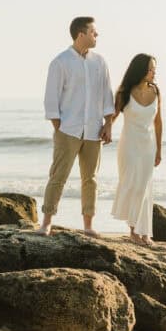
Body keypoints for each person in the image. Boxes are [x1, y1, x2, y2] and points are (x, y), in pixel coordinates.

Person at [39, 16, 115, 235]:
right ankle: (46, 222)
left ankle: (88, 226)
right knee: (58, 176)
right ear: (81, 34)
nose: (96, 35)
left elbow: (107, 95)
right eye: (93, 32)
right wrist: (59, 127)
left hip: (94, 130)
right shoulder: (60, 62)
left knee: (90, 180)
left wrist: (108, 123)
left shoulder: (100, 62)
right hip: (68, 130)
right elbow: (51, 100)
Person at [110, 53, 162, 245]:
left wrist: (159, 150)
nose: (154, 72)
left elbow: (158, 122)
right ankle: (134, 232)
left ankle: (145, 232)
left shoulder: (156, 91)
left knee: (145, 186)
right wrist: (105, 131)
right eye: (150, 69)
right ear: (140, 70)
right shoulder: (124, 91)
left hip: (148, 146)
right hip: (129, 145)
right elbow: (113, 117)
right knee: (132, 183)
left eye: (155, 69)